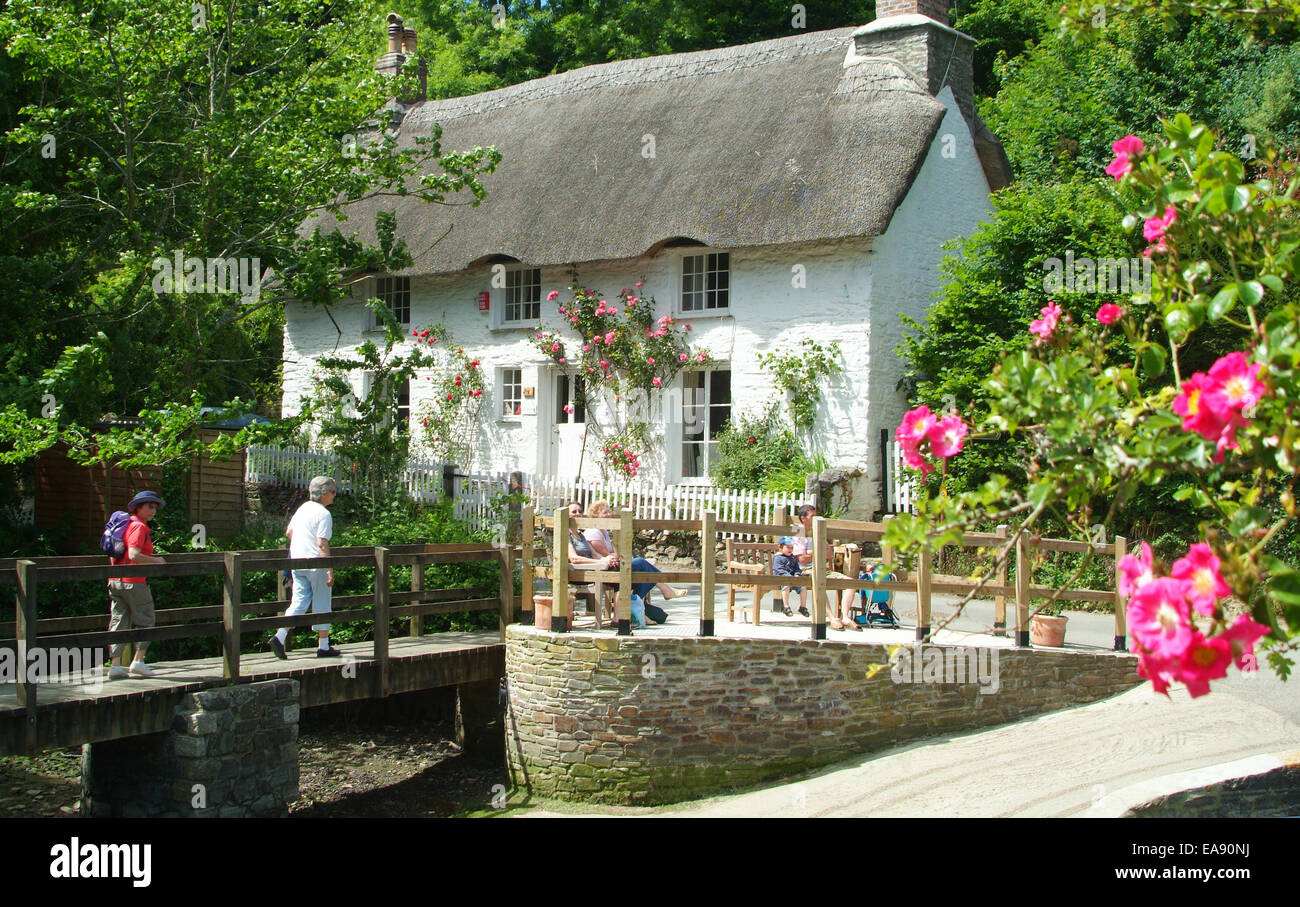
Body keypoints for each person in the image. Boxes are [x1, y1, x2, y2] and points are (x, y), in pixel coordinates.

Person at [272, 476, 339, 658]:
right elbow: (322, 543)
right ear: (324, 493)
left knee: (299, 601)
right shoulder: (323, 514)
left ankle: (279, 636)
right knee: (323, 600)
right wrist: (329, 570)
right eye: (333, 492)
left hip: (297, 562)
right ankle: (323, 645)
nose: (334, 495)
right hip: (316, 563)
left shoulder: (302, 509)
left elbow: (289, 532)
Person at [106, 491, 166, 680]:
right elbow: (133, 554)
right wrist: (156, 561)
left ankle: (115, 666)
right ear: (138, 507)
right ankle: (138, 661)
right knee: (146, 620)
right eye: (149, 506)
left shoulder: (124, 526)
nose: (153, 510)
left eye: (155, 507)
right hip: (134, 582)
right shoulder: (139, 527)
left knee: (118, 621)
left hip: (115, 581)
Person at [582, 499, 684, 607]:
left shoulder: (604, 531)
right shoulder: (593, 532)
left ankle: (635, 605)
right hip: (604, 568)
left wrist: (616, 556)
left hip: (612, 565)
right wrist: (615, 556)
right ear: (596, 515)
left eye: (609, 511)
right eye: (605, 512)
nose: (609, 514)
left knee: (642, 571)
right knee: (640, 563)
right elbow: (607, 554)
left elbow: (612, 553)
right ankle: (662, 591)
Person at [792, 503, 859, 631]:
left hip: (823, 569)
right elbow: (802, 559)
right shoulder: (798, 532)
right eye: (812, 516)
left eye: (816, 516)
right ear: (803, 518)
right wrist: (817, 552)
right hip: (805, 570)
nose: (816, 519)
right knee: (820, 583)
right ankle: (832, 618)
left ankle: (845, 616)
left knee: (852, 583)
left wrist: (813, 553)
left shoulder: (819, 529)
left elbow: (828, 553)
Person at [773, 536, 807, 618]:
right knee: (786, 586)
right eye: (788, 547)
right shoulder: (778, 558)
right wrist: (789, 576)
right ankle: (786, 606)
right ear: (781, 548)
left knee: (803, 587)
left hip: (793, 579)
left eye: (792, 547)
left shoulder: (793, 558)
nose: (790, 549)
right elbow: (779, 570)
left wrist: (797, 574)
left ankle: (803, 607)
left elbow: (797, 568)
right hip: (782, 579)